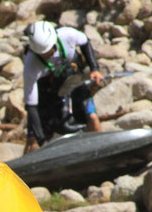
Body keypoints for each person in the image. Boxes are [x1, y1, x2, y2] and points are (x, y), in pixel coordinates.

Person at [22, 20, 104, 153]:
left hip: (74, 82)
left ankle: (100, 150)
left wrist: (94, 69)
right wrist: (42, 141)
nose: (45, 55)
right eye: (41, 53)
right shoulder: (31, 65)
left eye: (47, 51)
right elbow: (31, 107)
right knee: (33, 141)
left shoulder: (67, 35)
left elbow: (85, 42)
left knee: (93, 118)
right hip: (47, 93)